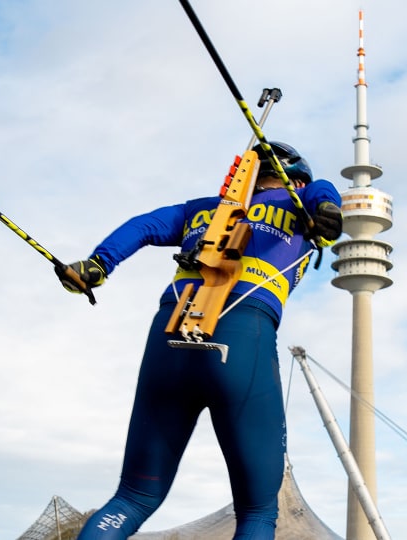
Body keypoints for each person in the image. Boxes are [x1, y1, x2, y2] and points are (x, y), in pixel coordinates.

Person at [58, 141, 343, 539]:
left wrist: (98, 263)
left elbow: (143, 225)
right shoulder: (301, 199)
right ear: (294, 178)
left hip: (168, 335)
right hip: (242, 331)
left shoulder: (202, 209)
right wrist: (328, 211)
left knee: (133, 498)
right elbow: (324, 192)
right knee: (258, 511)